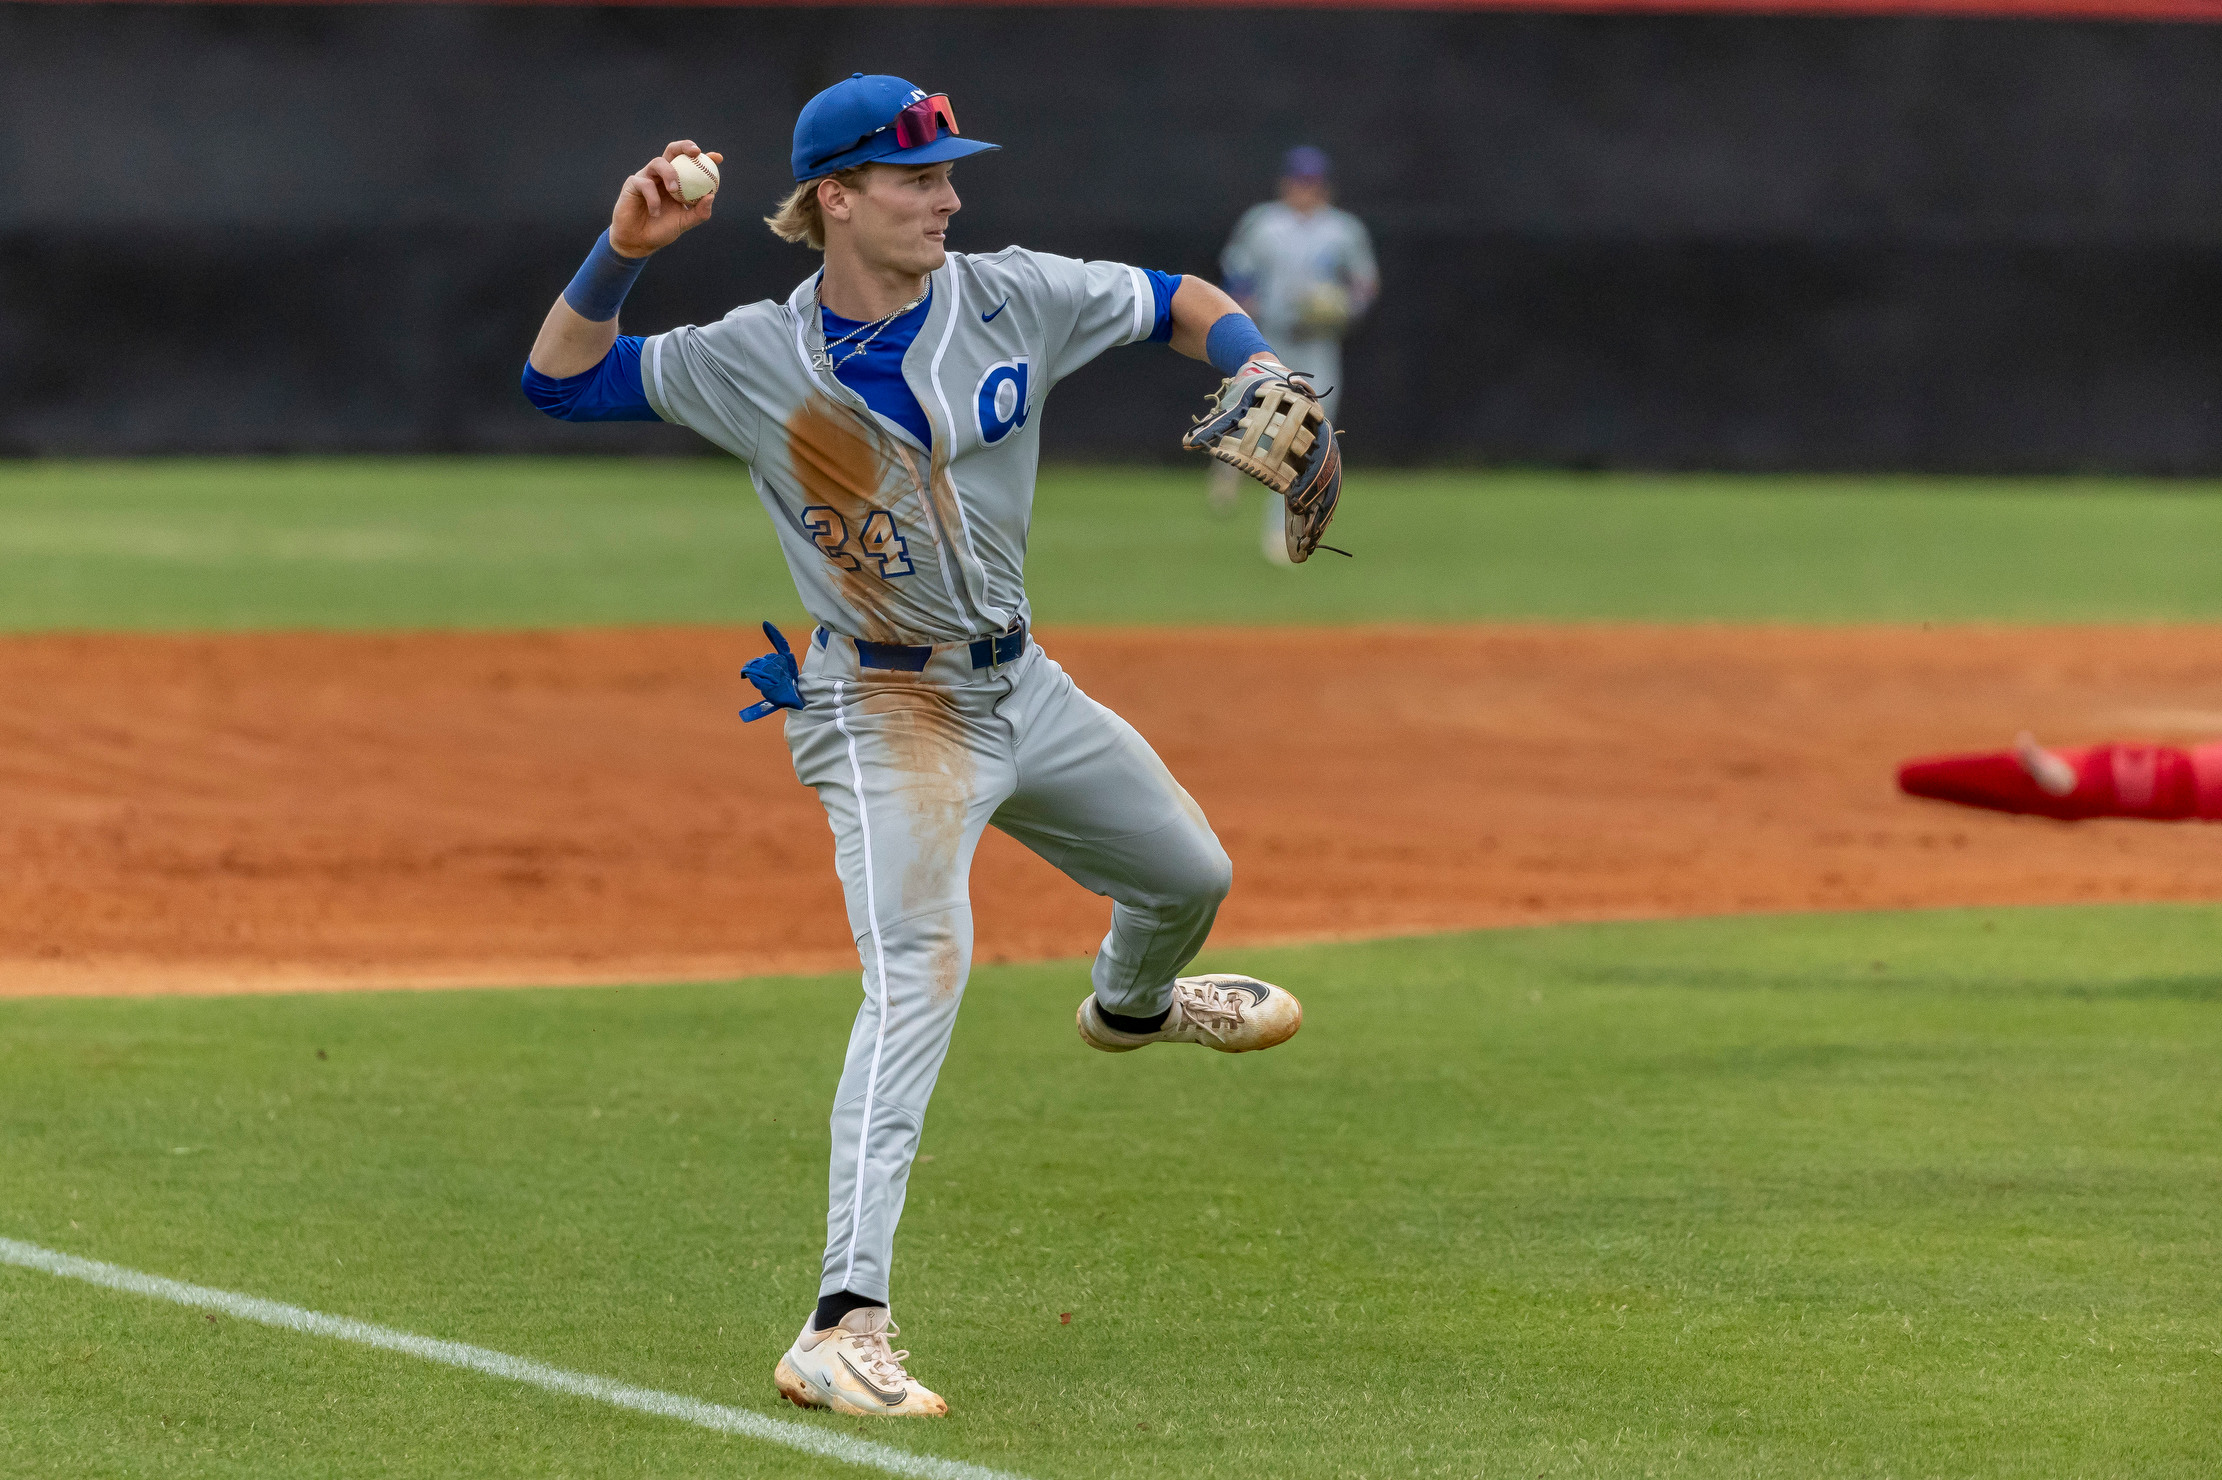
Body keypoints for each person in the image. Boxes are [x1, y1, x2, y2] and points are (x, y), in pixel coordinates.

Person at [520, 74, 1305, 1418]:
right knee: (919, 981)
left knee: (1188, 876)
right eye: (914, 177)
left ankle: (1128, 1006)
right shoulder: (749, 358)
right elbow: (560, 385)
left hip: (1022, 688)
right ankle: (842, 1320)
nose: (947, 196)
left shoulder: (1012, 294)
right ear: (836, 197)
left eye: (949, 173)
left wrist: (1254, 362)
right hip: (881, 714)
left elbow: (1175, 294)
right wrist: (622, 253)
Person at [1212, 146, 1378, 562]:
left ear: (1324, 187)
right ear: (1286, 183)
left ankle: (1280, 530)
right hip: (1268, 340)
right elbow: (1236, 272)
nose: (1305, 190)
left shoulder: (1342, 230)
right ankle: (1228, 465)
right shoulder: (1264, 223)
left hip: (1318, 345)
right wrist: (1242, 305)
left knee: (1302, 441)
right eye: (1299, 181)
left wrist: (1340, 309)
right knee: (1258, 424)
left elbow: (1364, 285)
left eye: (1312, 183)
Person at [1901, 732, 2222, 821]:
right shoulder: (2083, 790)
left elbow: (2066, 787)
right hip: (2194, 784)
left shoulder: (2082, 787)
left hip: (2193, 783)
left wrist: (2039, 764)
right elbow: (2067, 787)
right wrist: (2040, 766)